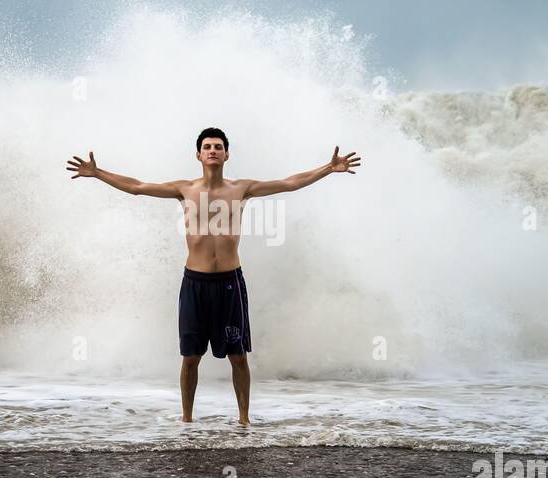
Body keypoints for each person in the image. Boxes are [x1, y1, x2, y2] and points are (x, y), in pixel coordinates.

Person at [67, 127, 361, 424]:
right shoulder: (185, 189)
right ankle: (186, 420)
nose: (212, 151)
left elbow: (289, 184)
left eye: (218, 147)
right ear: (198, 155)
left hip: (229, 283)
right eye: (207, 146)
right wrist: (98, 172)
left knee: (238, 357)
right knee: (191, 357)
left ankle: (244, 421)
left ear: (227, 154)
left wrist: (329, 168)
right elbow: (137, 186)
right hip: (194, 283)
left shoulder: (240, 188)